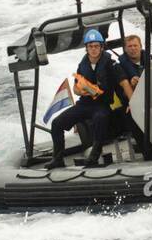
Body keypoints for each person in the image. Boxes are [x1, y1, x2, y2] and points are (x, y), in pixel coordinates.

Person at [48, 28, 123, 168]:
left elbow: (121, 85)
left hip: (102, 104)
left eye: (96, 46)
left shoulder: (110, 64)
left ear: (101, 47)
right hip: (84, 104)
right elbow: (76, 89)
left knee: (100, 119)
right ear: (86, 48)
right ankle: (57, 159)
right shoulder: (82, 65)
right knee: (57, 123)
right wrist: (83, 91)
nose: (93, 49)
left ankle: (93, 157)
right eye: (90, 46)